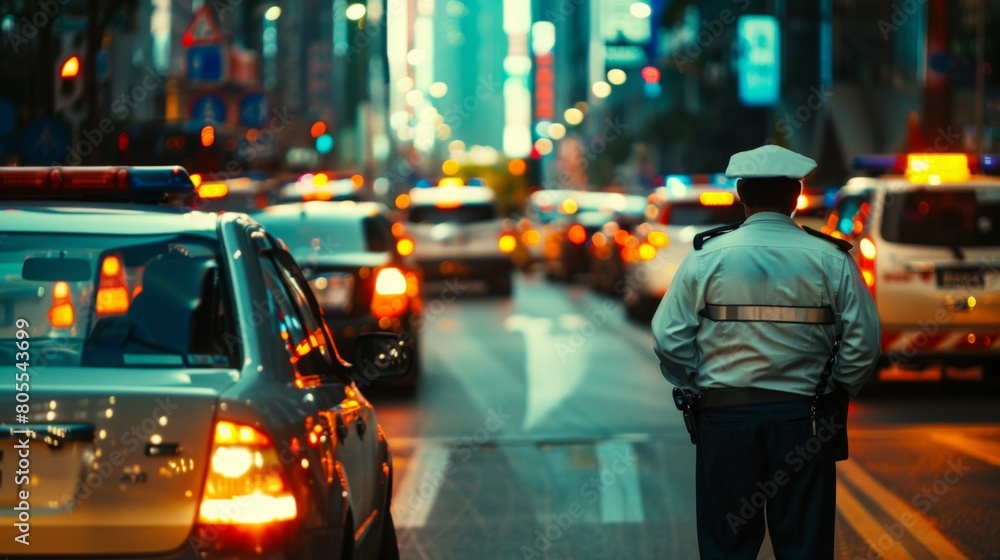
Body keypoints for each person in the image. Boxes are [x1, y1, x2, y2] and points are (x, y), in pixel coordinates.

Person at [651, 145, 881, 560]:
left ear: (740, 193)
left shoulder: (707, 257)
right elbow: (863, 341)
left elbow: (668, 338)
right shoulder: (832, 259)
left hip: (725, 423)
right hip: (804, 423)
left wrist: (700, 383)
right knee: (804, 548)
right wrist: (835, 387)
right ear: (796, 195)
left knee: (727, 550)